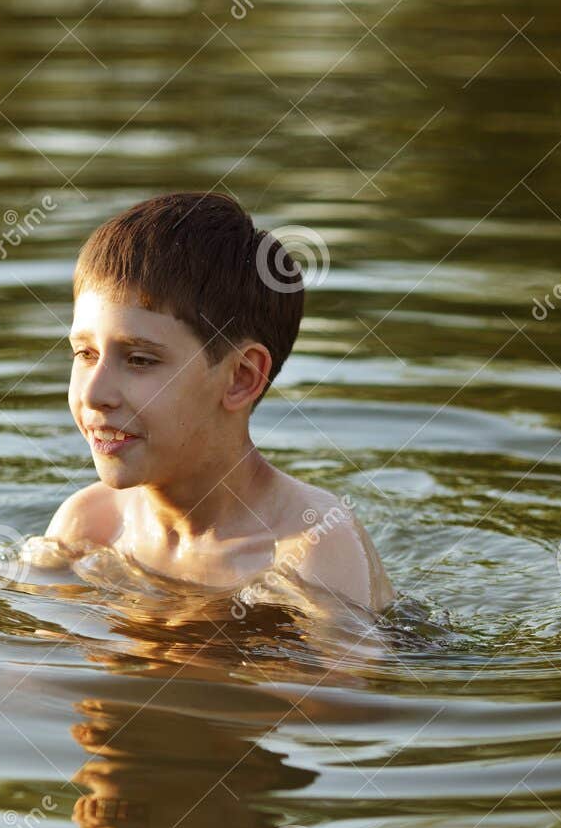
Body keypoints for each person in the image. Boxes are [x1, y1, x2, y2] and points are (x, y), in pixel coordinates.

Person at [37, 190, 395, 618]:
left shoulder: (310, 549)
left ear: (241, 378)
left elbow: (343, 684)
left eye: (139, 360)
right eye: (85, 354)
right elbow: (31, 671)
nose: (94, 393)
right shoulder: (91, 526)